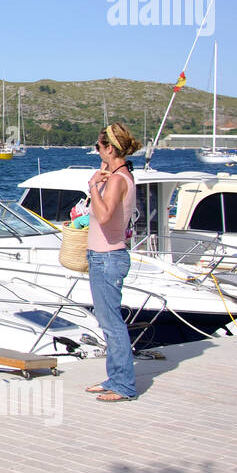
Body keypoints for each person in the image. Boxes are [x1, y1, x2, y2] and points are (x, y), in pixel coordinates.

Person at [85, 121, 144, 403]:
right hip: (105, 255)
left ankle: (123, 385)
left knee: (112, 324)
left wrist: (93, 186)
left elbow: (105, 215)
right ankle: (115, 377)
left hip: (107, 257)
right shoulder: (122, 176)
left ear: (109, 149)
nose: (97, 152)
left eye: (99, 147)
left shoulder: (118, 179)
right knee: (109, 322)